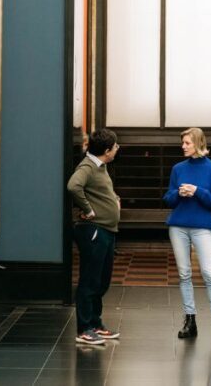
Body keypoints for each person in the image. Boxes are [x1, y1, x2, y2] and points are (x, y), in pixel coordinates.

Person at [164, 127, 211, 343]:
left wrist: (197, 191)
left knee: (209, 273)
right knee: (184, 274)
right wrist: (179, 193)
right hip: (178, 226)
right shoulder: (178, 168)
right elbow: (168, 199)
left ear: (198, 143)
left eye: (187, 143)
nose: (183, 146)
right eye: (182, 143)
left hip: (203, 227)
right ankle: (190, 320)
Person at [66, 128, 122, 346]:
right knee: (90, 281)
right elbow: (73, 186)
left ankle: (96, 324)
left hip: (107, 230)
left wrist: (113, 198)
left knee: (101, 281)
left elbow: (99, 190)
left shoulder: (101, 166)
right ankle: (84, 329)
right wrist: (88, 210)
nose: (117, 149)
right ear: (107, 151)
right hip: (94, 231)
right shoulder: (88, 166)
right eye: (116, 146)